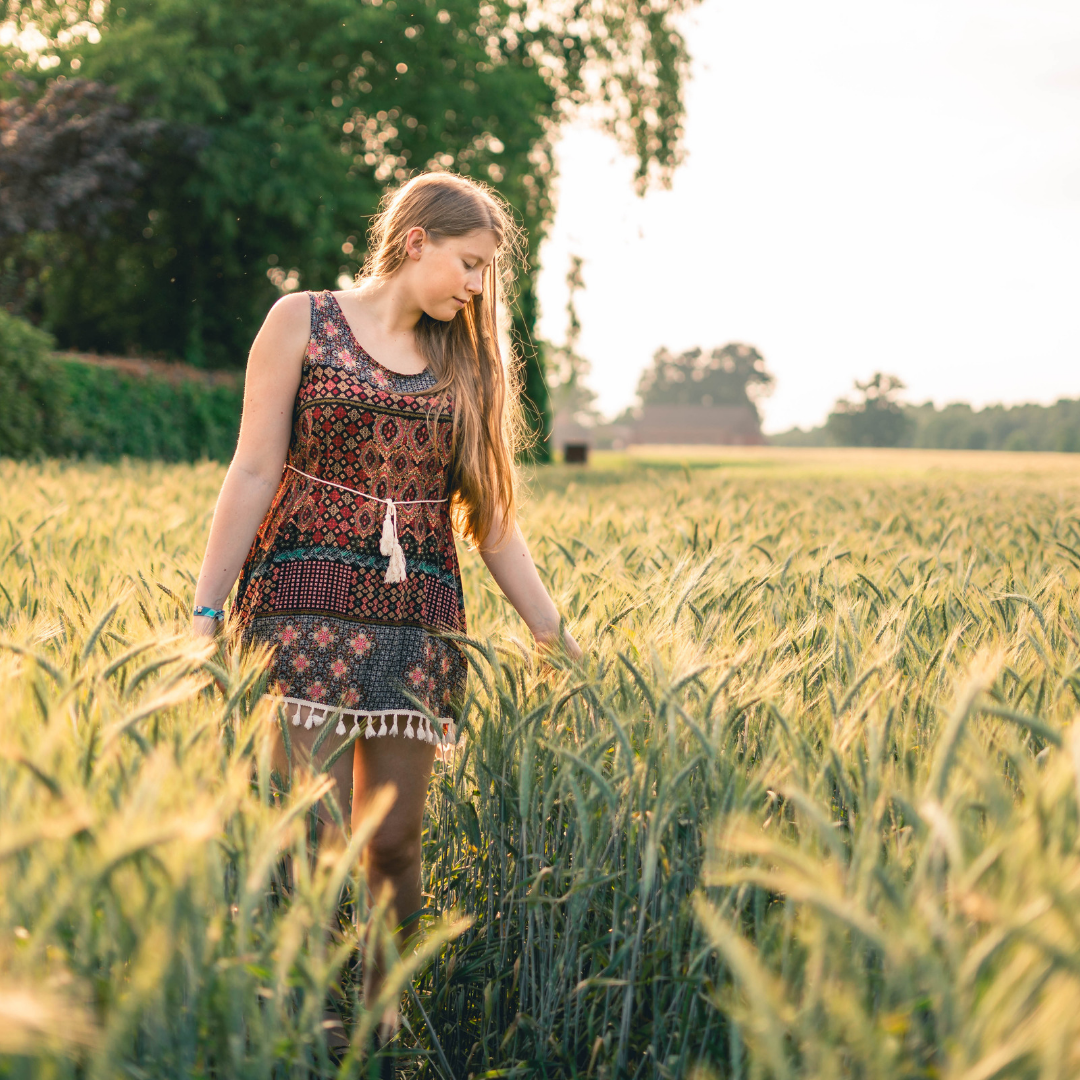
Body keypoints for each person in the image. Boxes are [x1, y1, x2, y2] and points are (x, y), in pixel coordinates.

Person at [190, 171, 583, 1057]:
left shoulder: (467, 357)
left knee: (396, 841)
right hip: (296, 599)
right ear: (416, 242)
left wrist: (551, 629)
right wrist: (206, 608)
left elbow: (492, 520)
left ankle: (384, 1005)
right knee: (318, 835)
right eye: (469, 264)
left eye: (486, 271)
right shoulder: (301, 320)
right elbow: (253, 470)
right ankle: (315, 1011)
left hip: (419, 618)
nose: (478, 287)